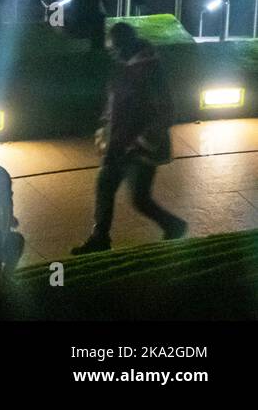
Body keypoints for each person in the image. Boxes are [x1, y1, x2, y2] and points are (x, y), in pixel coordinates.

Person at [72, 22, 187, 255]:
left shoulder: (149, 70)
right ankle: (100, 237)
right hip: (119, 145)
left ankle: (173, 225)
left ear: (126, 45)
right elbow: (114, 103)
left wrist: (142, 143)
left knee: (139, 199)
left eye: (114, 48)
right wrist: (104, 130)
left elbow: (166, 111)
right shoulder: (126, 66)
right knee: (106, 186)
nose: (112, 53)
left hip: (139, 150)